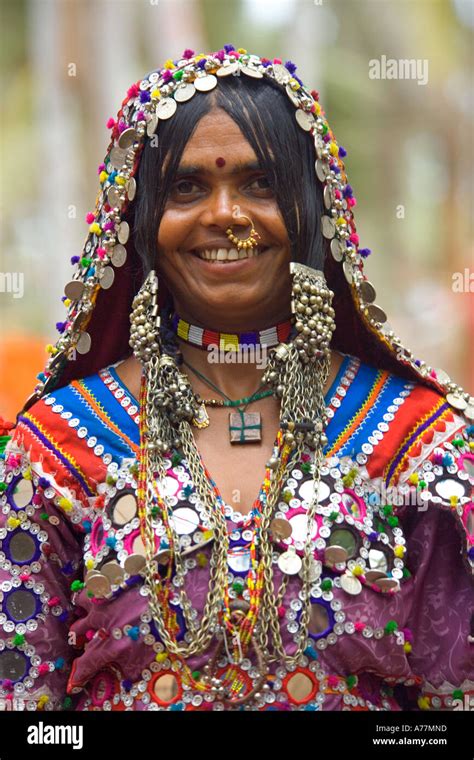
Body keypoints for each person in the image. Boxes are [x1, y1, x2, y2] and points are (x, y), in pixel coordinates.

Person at [0, 46, 472, 713]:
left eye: (261, 184)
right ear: (141, 224)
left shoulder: (423, 447)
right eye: (187, 188)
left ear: (314, 211)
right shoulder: (52, 453)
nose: (226, 214)